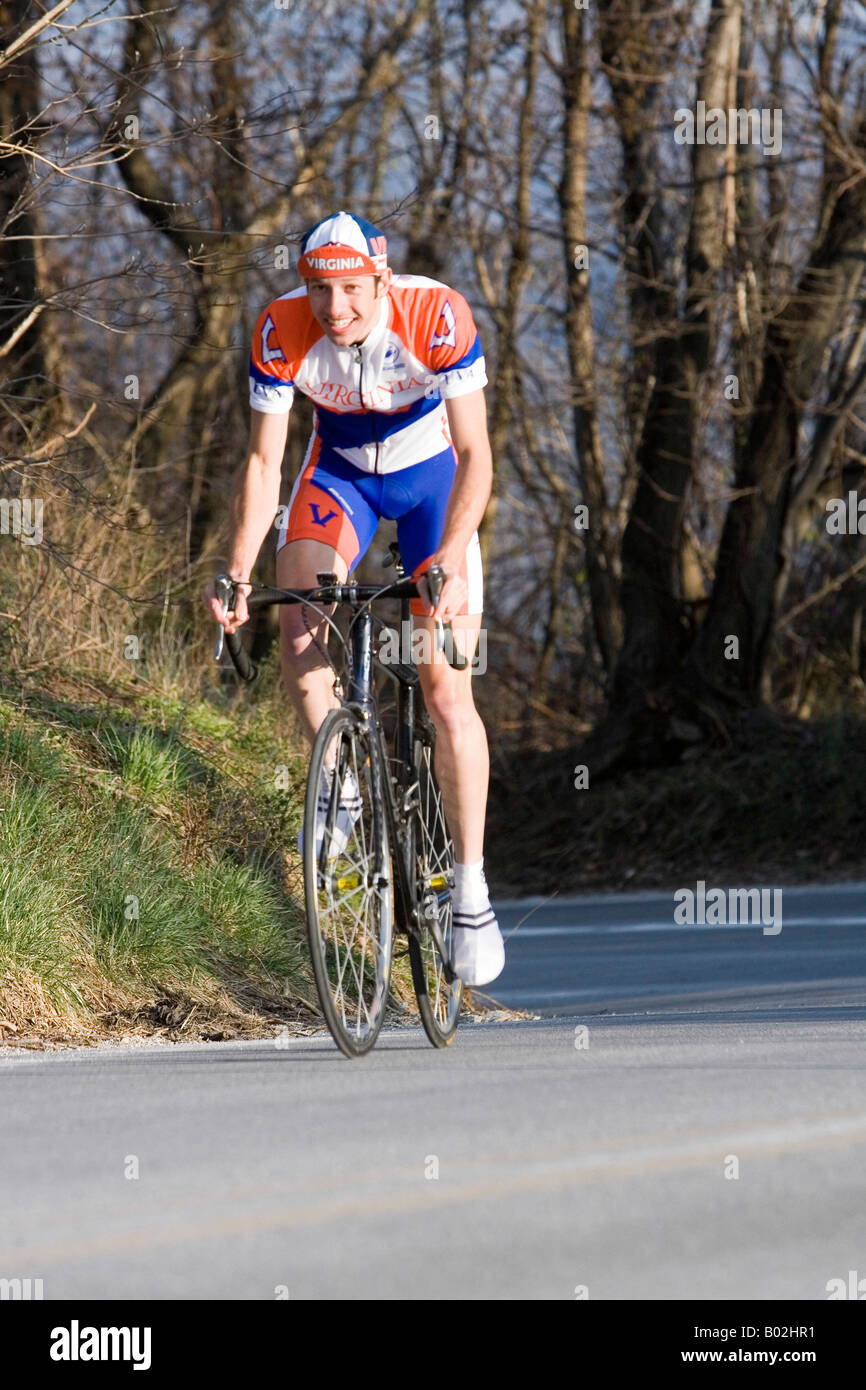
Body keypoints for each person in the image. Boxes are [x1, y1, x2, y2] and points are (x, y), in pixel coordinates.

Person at [204, 211, 504, 986]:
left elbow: (476, 454)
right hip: (339, 476)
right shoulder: (280, 329)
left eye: (348, 290)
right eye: (318, 292)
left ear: (379, 278)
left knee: (444, 690)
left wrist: (448, 559)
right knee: (297, 611)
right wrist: (238, 570)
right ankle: (338, 781)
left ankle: (469, 887)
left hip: (433, 482)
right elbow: (265, 461)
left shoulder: (436, 313)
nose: (334, 310)